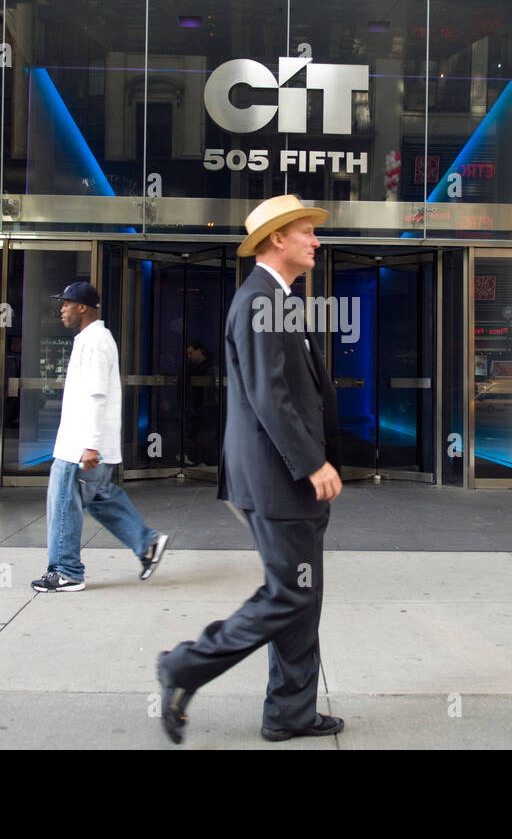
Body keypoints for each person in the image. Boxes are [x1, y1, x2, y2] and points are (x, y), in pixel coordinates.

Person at [157, 195, 343, 743]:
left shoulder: (279, 299)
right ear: (277, 239)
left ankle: (290, 713)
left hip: (289, 480)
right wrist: (312, 464)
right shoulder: (260, 301)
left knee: (299, 596)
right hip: (278, 478)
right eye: (308, 232)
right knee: (289, 593)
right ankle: (185, 666)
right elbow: (272, 396)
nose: (316, 241)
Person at [32, 281, 169, 592]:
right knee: (99, 498)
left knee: (64, 506)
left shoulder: (94, 340)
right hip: (85, 445)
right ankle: (147, 544)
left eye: (67, 303)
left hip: (79, 449)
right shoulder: (93, 338)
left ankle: (67, 572)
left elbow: (96, 395)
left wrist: (90, 445)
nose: (62, 309)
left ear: (83, 307)